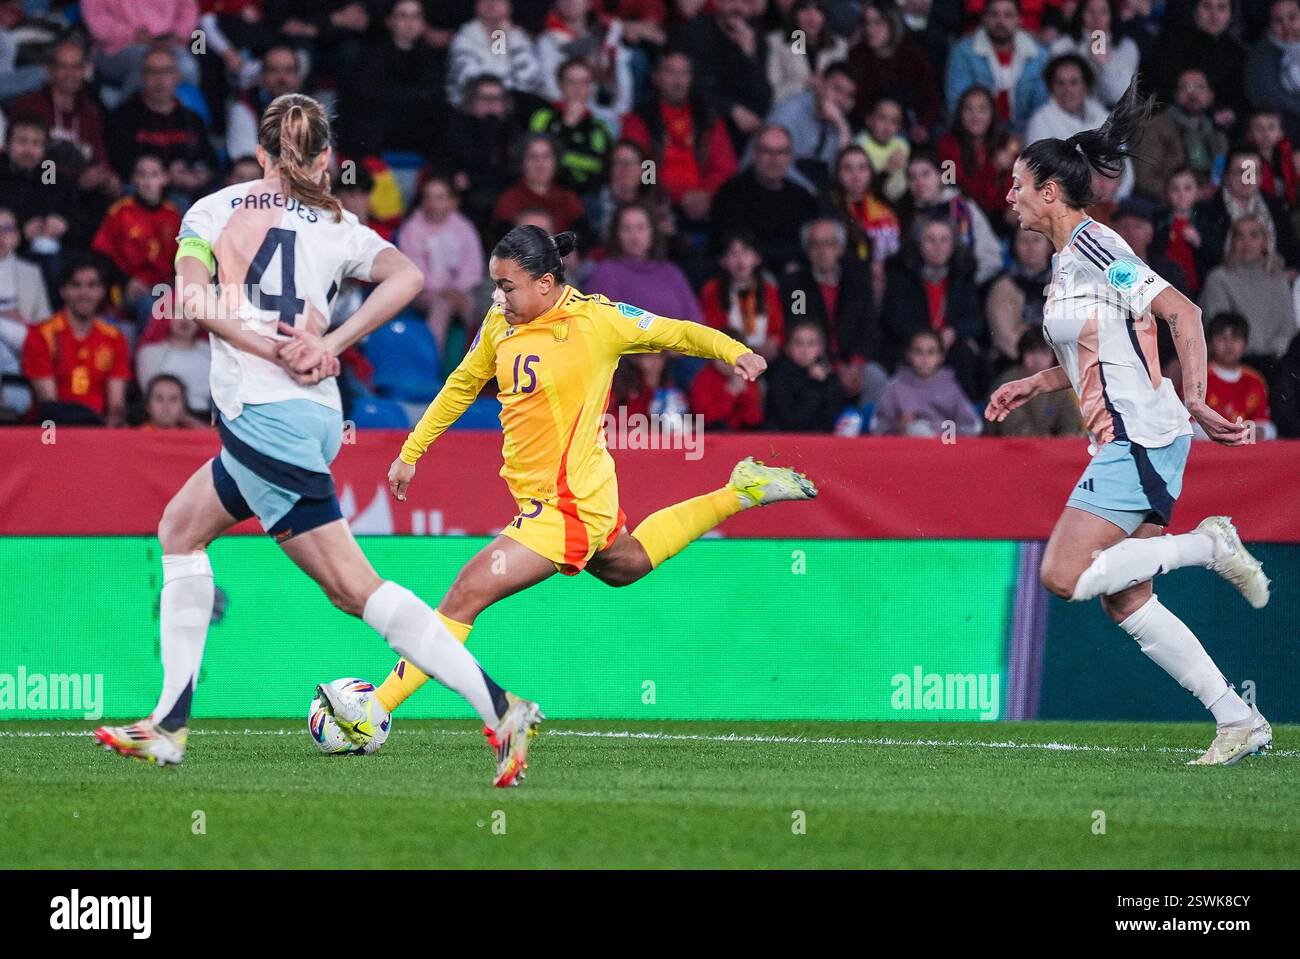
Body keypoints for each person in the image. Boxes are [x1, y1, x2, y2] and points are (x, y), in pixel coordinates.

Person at [92, 94, 527, 786]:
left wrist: (268, 345)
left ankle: (500, 705)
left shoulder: (212, 210)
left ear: (261, 154)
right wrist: (328, 343)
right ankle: (169, 723)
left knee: (357, 590)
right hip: (312, 418)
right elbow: (409, 277)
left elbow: (195, 301)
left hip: (267, 418)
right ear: (326, 159)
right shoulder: (339, 222)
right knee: (180, 526)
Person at [370, 225, 819, 782]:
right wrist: (412, 451)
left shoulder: (597, 321)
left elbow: (674, 332)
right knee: (627, 565)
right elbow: (462, 385)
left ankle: (376, 711)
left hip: (570, 506)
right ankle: (742, 490)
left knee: (464, 596)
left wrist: (734, 351)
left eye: (508, 288)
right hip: (553, 501)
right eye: (494, 286)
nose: (498, 298)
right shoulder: (499, 323)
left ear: (546, 283)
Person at [988, 78, 1273, 766]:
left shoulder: (1096, 248)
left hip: (1139, 436)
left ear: (1051, 192)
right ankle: (1238, 718)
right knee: (1125, 598)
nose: (1009, 196)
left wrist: (1200, 395)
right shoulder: (1067, 262)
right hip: (1139, 436)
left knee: (1062, 573)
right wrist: (1036, 379)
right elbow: (1100, 350)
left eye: (1018, 185)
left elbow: (1183, 312)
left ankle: (1206, 547)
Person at [21, 257, 129, 425]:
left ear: (102, 292)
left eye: (92, 285)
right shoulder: (41, 335)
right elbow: (49, 404)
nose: (84, 293)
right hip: (55, 431)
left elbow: (116, 406)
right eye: (76, 285)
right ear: (63, 291)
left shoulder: (114, 338)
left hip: (99, 431)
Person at [1199, 213, 1297, 369]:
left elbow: (1288, 326)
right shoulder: (1218, 279)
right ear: (1231, 242)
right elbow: (1216, 326)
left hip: (1275, 361)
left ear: (1265, 241)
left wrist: (1278, 349)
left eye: (1254, 235)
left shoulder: (1279, 279)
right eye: (1239, 236)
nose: (1246, 242)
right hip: (1232, 362)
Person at [870, 328, 981, 436]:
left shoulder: (950, 387)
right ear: (908, 354)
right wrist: (898, 426)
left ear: (941, 357)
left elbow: (972, 426)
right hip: (906, 449)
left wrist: (942, 432)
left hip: (942, 448)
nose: (924, 359)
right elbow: (876, 426)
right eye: (918, 352)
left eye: (931, 352)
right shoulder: (895, 386)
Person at [985, 327, 1082, 435]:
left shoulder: (1059, 384)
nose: (1037, 359)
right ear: (1022, 354)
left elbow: (1071, 426)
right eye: (1032, 352)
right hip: (1009, 448)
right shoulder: (1009, 384)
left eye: (1044, 353)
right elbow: (1014, 431)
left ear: (1054, 356)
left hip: (1049, 448)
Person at [1202, 312, 1276, 440]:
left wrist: (1256, 432)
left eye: (1235, 338)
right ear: (1209, 343)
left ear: (1245, 344)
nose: (1228, 344)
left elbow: (1264, 424)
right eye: (1221, 338)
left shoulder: (1255, 380)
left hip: (1246, 451)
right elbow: (1189, 426)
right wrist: (1225, 434)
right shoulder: (1198, 377)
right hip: (1209, 450)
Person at [762, 320, 846, 431]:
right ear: (788, 348)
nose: (804, 350)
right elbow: (792, 422)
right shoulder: (779, 376)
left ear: (821, 348)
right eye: (799, 343)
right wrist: (814, 384)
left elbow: (833, 421)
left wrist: (823, 383)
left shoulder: (829, 378)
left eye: (811, 344)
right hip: (784, 441)